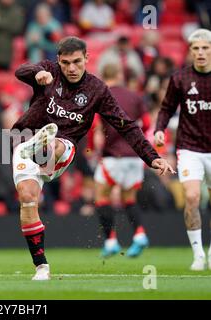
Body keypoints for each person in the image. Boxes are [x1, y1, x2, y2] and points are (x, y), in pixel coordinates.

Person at [11, 36, 175, 281]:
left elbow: (126, 126)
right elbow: (20, 71)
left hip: (62, 148)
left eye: (77, 62)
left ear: (87, 59)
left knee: (55, 144)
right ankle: (41, 267)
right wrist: (36, 74)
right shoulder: (50, 71)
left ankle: (44, 143)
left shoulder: (97, 90)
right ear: (59, 61)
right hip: (24, 142)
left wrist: (152, 158)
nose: (71, 68)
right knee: (27, 199)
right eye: (66, 63)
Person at [154, 29, 211, 271]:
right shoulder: (180, 79)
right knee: (191, 196)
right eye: (196, 48)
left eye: (205, 48)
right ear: (190, 51)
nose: (200, 52)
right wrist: (159, 129)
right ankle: (198, 254)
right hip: (189, 147)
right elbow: (166, 108)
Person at [93, 63, 151, 258]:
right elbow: (148, 123)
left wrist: (95, 146)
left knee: (101, 196)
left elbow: (95, 127)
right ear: (119, 74)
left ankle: (110, 241)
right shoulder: (134, 96)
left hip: (113, 156)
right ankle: (139, 235)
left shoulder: (102, 96)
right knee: (129, 199)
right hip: (134, 156)